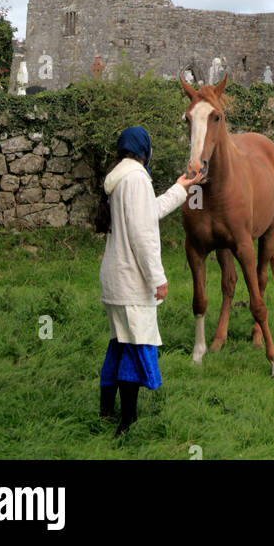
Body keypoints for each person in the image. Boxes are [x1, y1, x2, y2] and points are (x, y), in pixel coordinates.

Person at [95, 126, 202, 435]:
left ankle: (105, 412)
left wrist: (180, 187)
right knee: (133, 348)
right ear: (144, 149)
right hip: (132, 282)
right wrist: (158, 277)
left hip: (114, 281)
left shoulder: (119, 177)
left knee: (118, 345)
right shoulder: (138, 178)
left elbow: (148, 212)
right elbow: (143, 236)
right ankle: (126, 424)